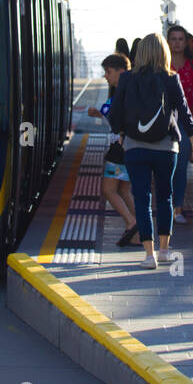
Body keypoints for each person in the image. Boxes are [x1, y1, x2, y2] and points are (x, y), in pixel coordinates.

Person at [110, 34, 193, 269]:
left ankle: (148, 255)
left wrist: (121, 133)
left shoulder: (126, 79)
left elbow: (115, 114)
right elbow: (184, 114)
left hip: (135, 147)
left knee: (141, 199)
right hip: (166, 148)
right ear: (165, 53)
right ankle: (164, 251)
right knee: (165, 197)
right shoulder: (171, 79)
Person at [88, 53, 140, 246]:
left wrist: (102, 113)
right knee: (125, 190)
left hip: (119, 149)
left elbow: (119, 116)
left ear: (122, 71)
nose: (106, 76)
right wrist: (100, 113)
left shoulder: (122, 93)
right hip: (128, 146)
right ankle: (141, 229)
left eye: (108, 72)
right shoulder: (129, 91)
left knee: (108, 189)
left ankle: (131, 222)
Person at [167, 25, 193, 225]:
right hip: (162, 122)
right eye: (173, 38)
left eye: (181, 39)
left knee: (180, 166)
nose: (177, 42)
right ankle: (166, 205)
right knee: (163, 167)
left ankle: (177, 207)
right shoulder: (160, 66)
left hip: (184, 123)